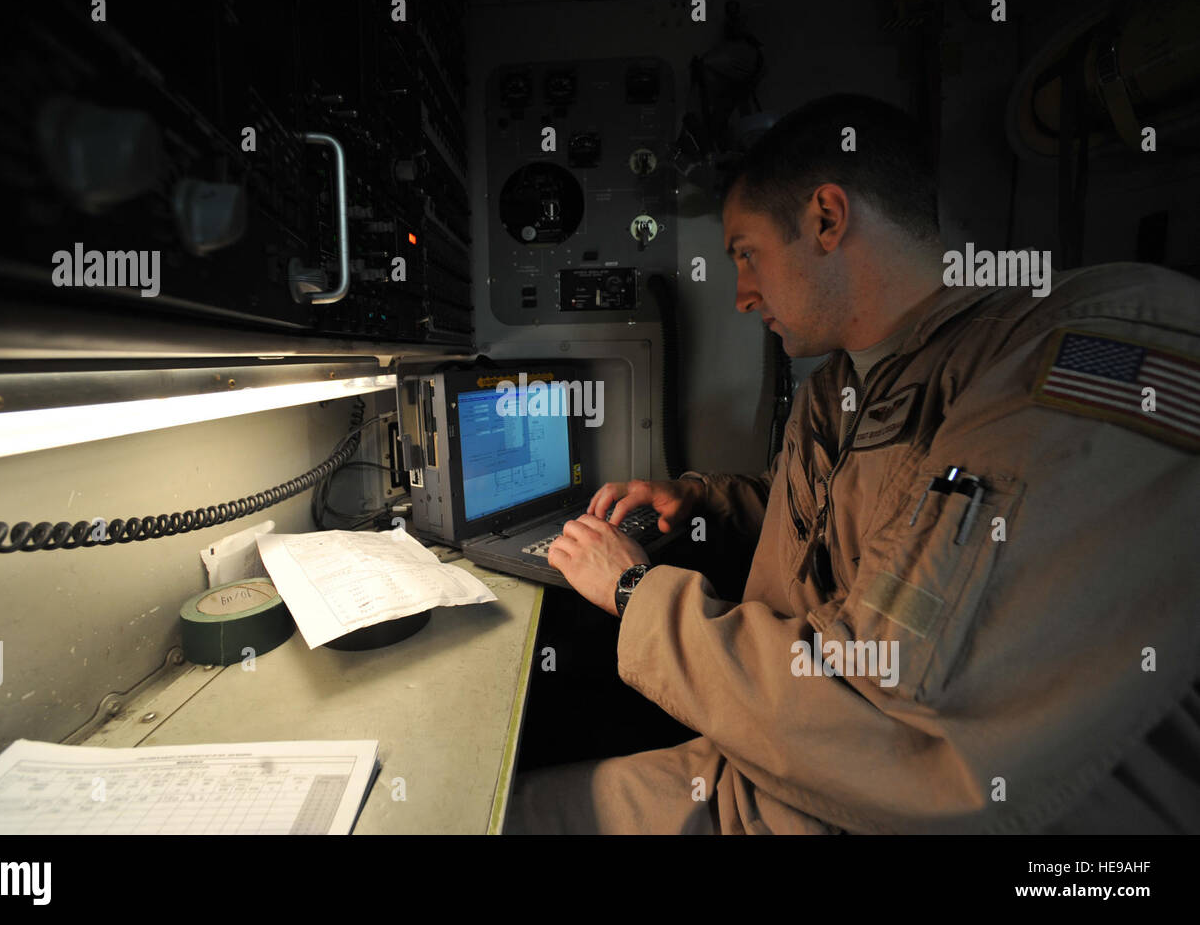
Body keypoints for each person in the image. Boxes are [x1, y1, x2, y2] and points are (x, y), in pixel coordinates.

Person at [504, 94, 1200, 834]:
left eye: (746, 254)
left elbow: (897, 725)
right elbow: (845, 508)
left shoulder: (1073, 361)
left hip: (865, 799)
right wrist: (698, 499)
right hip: (785, 755)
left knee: (492, 819)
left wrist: (635, 587)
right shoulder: (843, 384)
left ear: (827, 219)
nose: (741, 295)